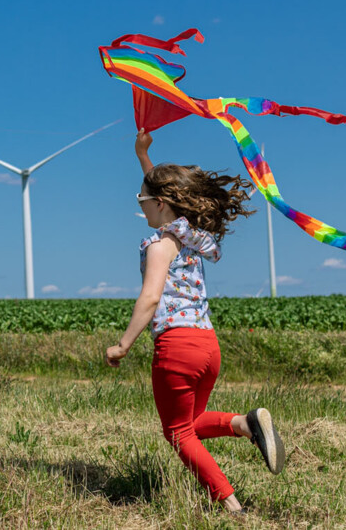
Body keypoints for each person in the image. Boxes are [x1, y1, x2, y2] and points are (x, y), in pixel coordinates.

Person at [105, 129, 285, 513]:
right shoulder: (191, 238)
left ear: (161, 205)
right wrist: (142, 155)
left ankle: (231, 504)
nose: (140, 204)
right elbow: (159, 189)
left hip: (176, 348)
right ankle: (246, 423)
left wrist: (123, 345)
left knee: (177, 433)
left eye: (142, 200)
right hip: (208, 346)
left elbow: (151, 297)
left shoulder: (159, 245)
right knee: (193, 421)